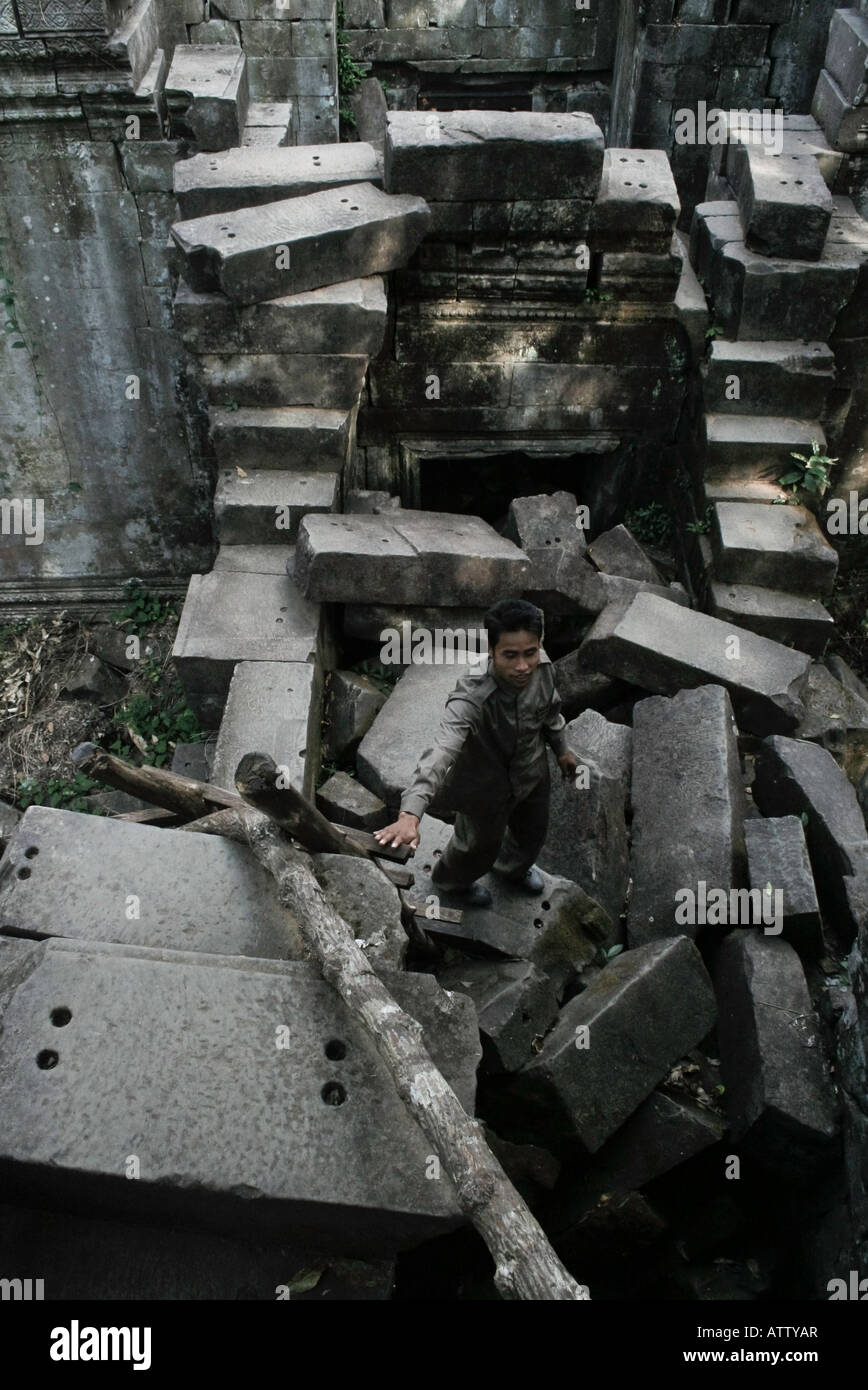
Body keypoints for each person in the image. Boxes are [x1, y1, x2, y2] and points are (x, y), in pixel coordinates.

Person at [373, 597, 579, 907]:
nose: (522, 666)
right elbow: (443, 747)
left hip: (533, 773)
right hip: (485, 787)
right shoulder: (472, 693)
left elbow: (550, 710)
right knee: (476, 846)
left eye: (530, 653)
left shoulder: (543, 667)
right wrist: (410, 813)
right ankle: (451, 883)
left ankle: (512, 869)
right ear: (492, 651)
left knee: (532, 832)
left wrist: (562, 749)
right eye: (510, 655)